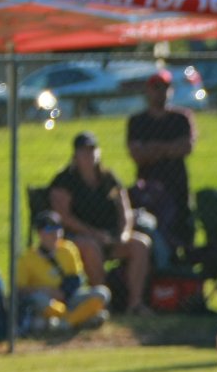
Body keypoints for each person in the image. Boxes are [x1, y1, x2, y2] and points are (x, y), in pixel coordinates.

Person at [47, 131, 153, 315]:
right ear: (75, 155)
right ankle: (103, 303)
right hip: (79, 238)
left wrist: (123, 234)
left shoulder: (108, 178)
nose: (89, 155)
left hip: (110, 236)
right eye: (84, 151)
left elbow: (125, 210)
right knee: (90, 247)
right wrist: (94, 234)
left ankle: (134, 304)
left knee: (140, 244)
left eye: (92, 150)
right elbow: (63, 216)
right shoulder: (64, 180)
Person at [127, 70, 197, 262]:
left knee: (183, 233)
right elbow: (137, 154)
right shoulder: (138, 121)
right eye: (156, 88)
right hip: (148, 192)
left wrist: (153, 148)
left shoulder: (181, 118)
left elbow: (186, 147)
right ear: (148, 91)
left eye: (165, 88)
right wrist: (168, 149)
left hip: (178, 189)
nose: (161, 93)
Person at [17, 210, 111, 333]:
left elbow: (75, 280)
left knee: (102, 293)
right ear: (40, 233)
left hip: (69, 298)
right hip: (48, 302)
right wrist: (46, 290)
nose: (55, 234)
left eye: (58, 228)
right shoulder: (27, 258)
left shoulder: (68, 249)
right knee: (38, 299)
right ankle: (80, 318)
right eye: (50, 230)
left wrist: (62, 293)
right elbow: (20, 290)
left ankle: (65, 323)